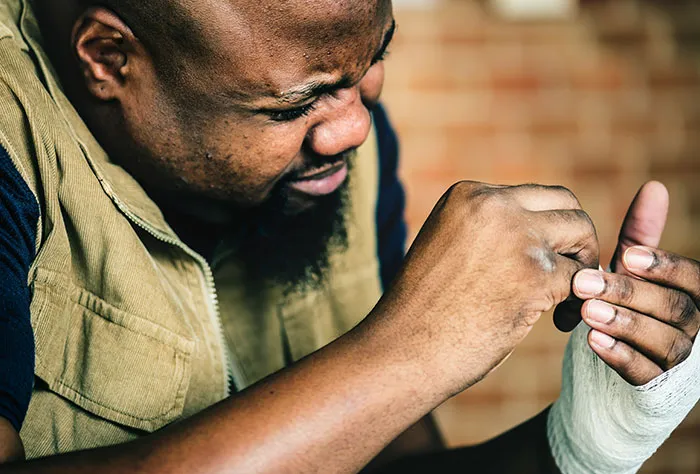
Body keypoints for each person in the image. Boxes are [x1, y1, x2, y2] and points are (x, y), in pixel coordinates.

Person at [0, 0, 697, 472]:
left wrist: (583, 441)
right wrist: (407, 352)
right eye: (296, 104)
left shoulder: (335, 159)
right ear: (109, 57)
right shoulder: (12, 137)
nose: (354, 128)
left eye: (372, 61)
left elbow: (387, 462)